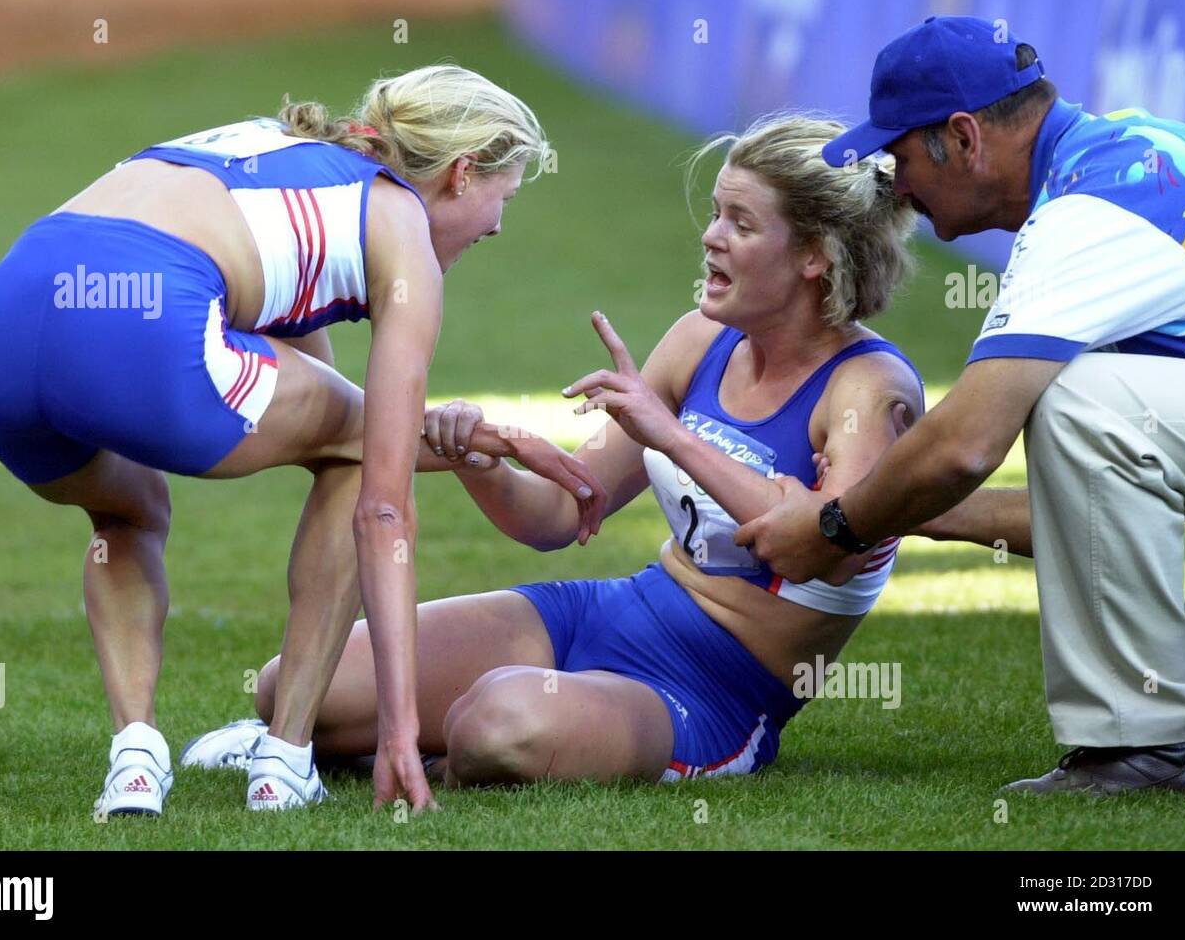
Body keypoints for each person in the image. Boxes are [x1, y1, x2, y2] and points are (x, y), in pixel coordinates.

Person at [183, 113, 925, 786]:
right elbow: (559, 515)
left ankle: (412, 744)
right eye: (715, 212)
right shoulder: (703, 339)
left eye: (741, 222)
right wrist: (485, 461)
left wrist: (664, 432)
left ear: (814, 258)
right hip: (608, 610)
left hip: (712, 688)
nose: (711, 236)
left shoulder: (869, 387)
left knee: (499, 725)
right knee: (289, 683)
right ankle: (338, 735)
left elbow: (818, 544)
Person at [0, 64, 603, 816]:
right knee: (360, 452)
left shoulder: (288, 149)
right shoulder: (400, 228)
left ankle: (136, 757)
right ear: (461, 174)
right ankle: (286, 758)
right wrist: (399, 728)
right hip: (147, 316)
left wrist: (469, 439)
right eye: (504, 198)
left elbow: (322, 404)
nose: (496, 226)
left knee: (131, 510)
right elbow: (379, 497)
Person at [736, 16, 1185, 794]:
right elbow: (1089, 509)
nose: (894, 183)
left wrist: (834, 525)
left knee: (1081, 400)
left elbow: (967, 443)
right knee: (1096, 412)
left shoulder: (1088, 212)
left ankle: (1143, 747)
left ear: (962, 136)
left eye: (899, 154)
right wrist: (901, 507)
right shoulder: (1117, 151)